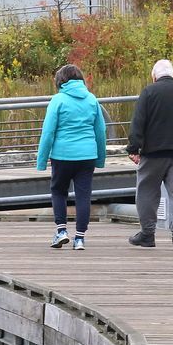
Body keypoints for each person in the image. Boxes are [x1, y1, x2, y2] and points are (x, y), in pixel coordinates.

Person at [126, 59, 173, 251]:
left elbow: (139, 122)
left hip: (154, 152)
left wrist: (134, 148)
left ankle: (147, 234)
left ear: (154, 76)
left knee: (147, 191)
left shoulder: (149, 92)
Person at [36, 64, 107, 251]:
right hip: (87, 155)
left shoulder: (58, 100)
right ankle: (80, 238)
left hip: (62, 155)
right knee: (83, 195)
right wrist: (100, 158)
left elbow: (48, 132)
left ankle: (61, 231)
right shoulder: (92, 99)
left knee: (59, 191)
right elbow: (100, 131)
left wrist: (41, 160)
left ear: (60, 81)